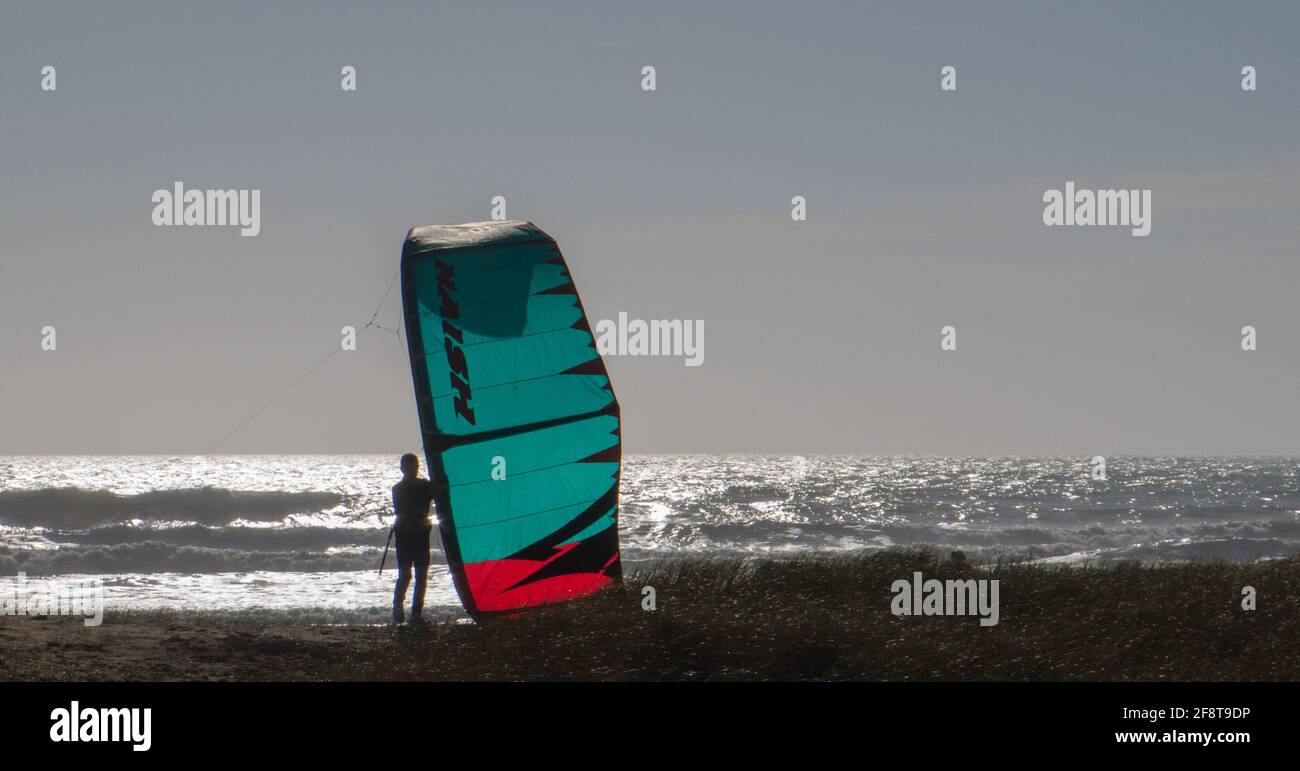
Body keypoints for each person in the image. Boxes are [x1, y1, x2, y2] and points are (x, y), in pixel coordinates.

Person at [386, 453, 437, 624]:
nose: (411, 471)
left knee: (421, 575)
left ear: (417, 467)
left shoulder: (425, 486)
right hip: (404, 536)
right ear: (402, 470)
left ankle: (416, 612)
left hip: (421, 536)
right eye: (408, 468)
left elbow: (439, 492)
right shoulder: (398, 489)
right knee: (405, 575)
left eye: (414, 467)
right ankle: (397, 607)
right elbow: (403, 509)